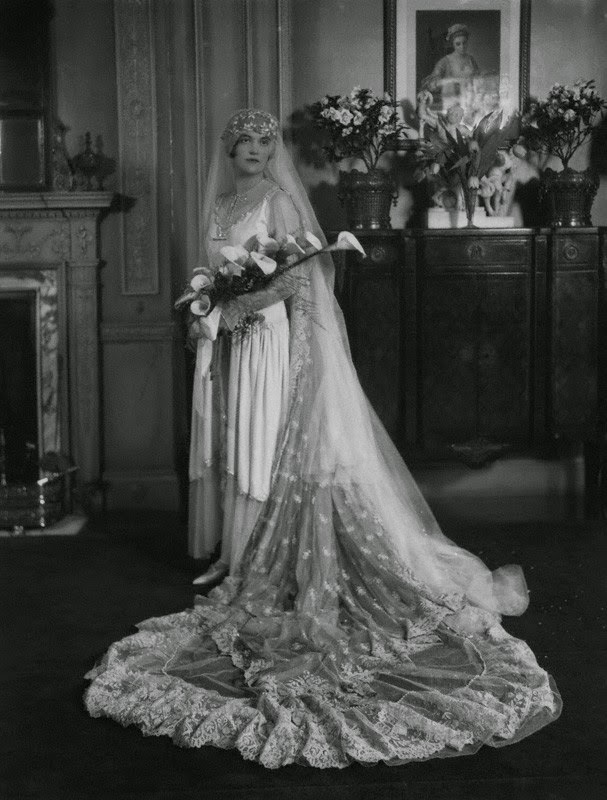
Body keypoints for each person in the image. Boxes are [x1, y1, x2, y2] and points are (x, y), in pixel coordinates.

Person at [84, 109, 561, 769]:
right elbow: (213, 267)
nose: (254, 152)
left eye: (262, 143)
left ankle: (260, 554)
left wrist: (243, 306)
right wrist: (208, 303)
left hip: (274, 336)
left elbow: (291, 274)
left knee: (266, 437)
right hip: (235, 340)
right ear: (227, 151)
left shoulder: (280, 200)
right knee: (237, 438)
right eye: (243, 144)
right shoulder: (221, 203)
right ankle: (236, 548)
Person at [422, 23, 480, 116]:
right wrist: (451, 81)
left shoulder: (471, 59)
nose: (462, 47)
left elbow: (478, 79)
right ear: (453, 44)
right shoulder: (445, 61)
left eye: (464, 43)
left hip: (469, 102)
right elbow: (432, 82)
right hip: (451, 104)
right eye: (458, 44)